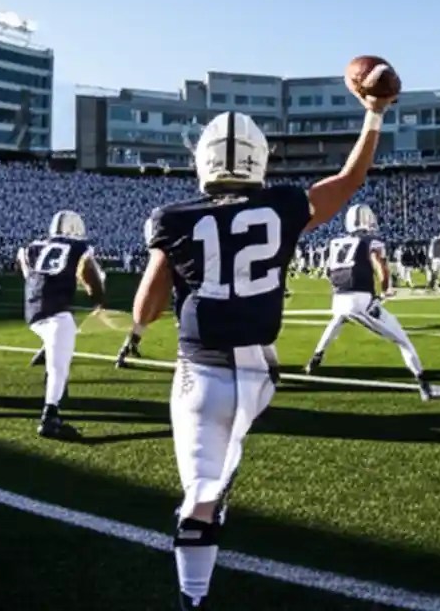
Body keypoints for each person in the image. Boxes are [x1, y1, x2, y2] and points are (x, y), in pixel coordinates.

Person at [126, 73, 393, 610]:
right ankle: (217, 487)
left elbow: (144, 310)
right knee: (225, 455)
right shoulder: (284, 206)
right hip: (261, 376)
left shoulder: (173, 219)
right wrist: (374, 114)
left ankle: (193, 596)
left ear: (202, 160)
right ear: (259, 159)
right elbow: (349, 177)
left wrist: (178, 272)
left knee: (199, 498)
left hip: (200, 374)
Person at [302, 203, 440, 398]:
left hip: (338, 298)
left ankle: (316, 357)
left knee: (338, 319)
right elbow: (379, 263)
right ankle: (425, 388)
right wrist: (386, 287)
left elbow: (331, 273)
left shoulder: (336, 242)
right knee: (403, 341)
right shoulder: (370, 240)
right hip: (360, 300)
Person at [17, 210, 106, 440]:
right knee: (60, 364)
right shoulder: (78, 247)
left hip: (31, 309)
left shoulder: (35, 245)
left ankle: (47, 349)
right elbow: (90, 275)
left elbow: (22, 256)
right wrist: (97, 299)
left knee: (56, 332)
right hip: (56, 311)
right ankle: (50, 415)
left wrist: (31, 279)